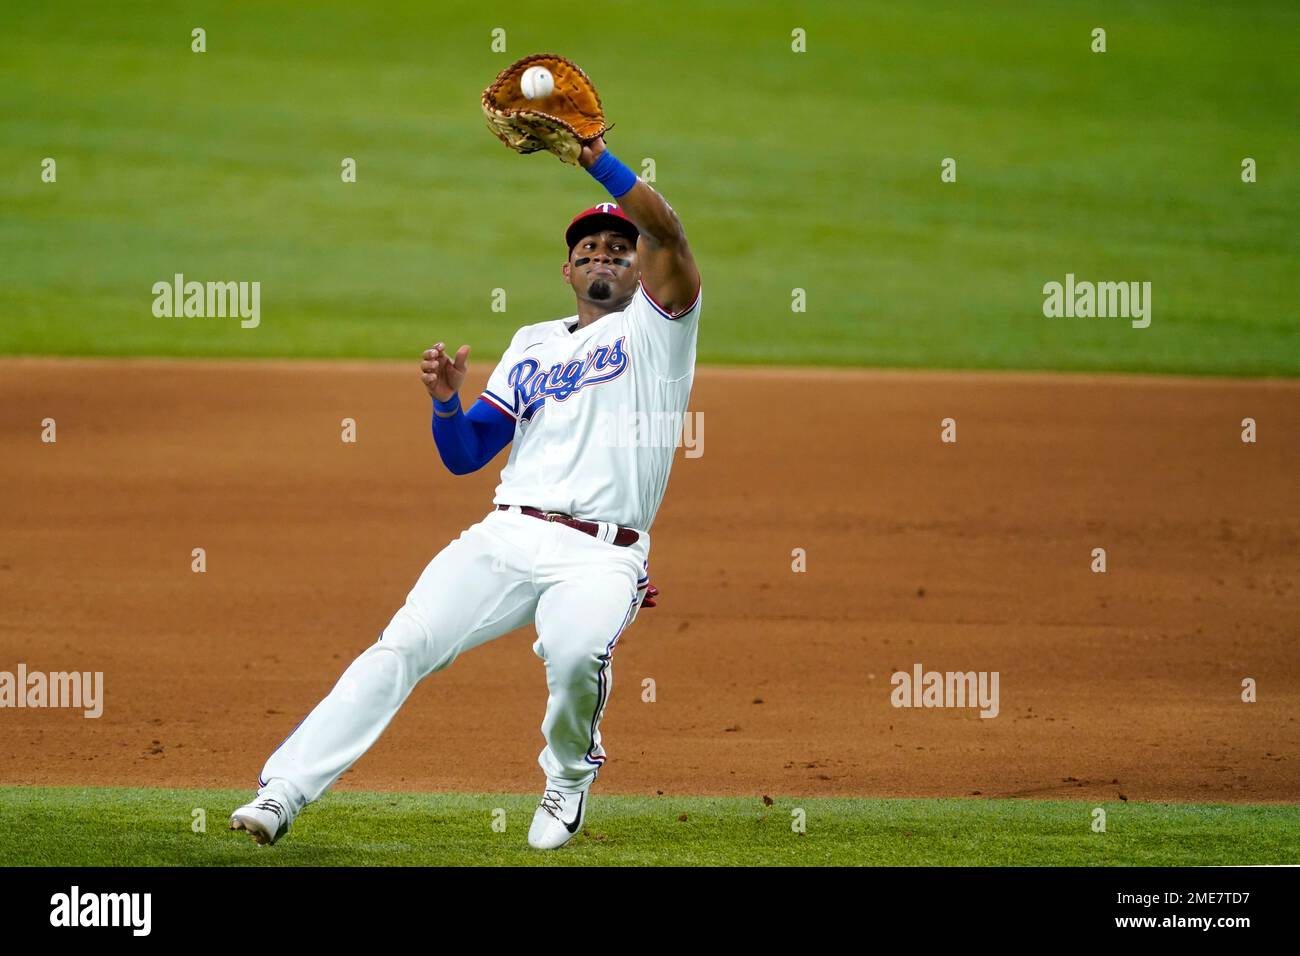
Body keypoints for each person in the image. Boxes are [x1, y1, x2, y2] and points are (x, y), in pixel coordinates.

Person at [230, 136, 701, 850]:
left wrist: (595, 158)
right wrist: (447, 402)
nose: (603, 253)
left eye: (618, 246)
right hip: (507, 534)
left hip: (603, 553)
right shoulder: (532, 342)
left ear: (641, 266)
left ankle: (568, 778)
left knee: (573, 656)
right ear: (567, 267)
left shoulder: (660, 327)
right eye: (588, 247)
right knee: (404, 644)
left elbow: (668, 230)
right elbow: (466, 455)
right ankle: (283, 790)